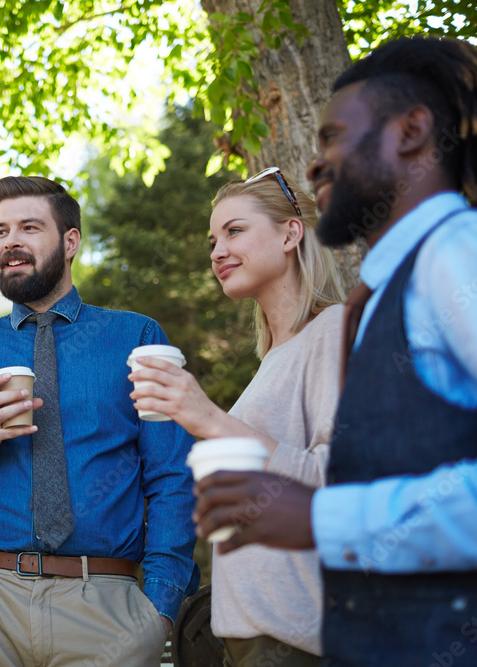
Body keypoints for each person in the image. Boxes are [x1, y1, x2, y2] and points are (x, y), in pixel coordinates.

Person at [193, 37, 477, 664]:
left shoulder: (463, 250)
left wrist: (324, 516)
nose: (314, 165)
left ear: (412, 132)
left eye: (334, 137)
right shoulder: (384, 296)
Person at [0, 175, 199, 666]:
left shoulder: (138, 338)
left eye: (28, 227)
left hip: (107, 607)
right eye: (0, 231)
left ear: (70, 241)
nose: (11, 242)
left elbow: (173, 476)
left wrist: (160, 610)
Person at [130, 168, 345, 665]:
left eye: (235, 231)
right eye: (213, 239)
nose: (217, 251)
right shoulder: (274, 359)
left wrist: (206, 416)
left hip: (298, 637)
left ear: (291, 233)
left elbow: (341, 482)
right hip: (246, 632)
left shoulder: (333, 330)